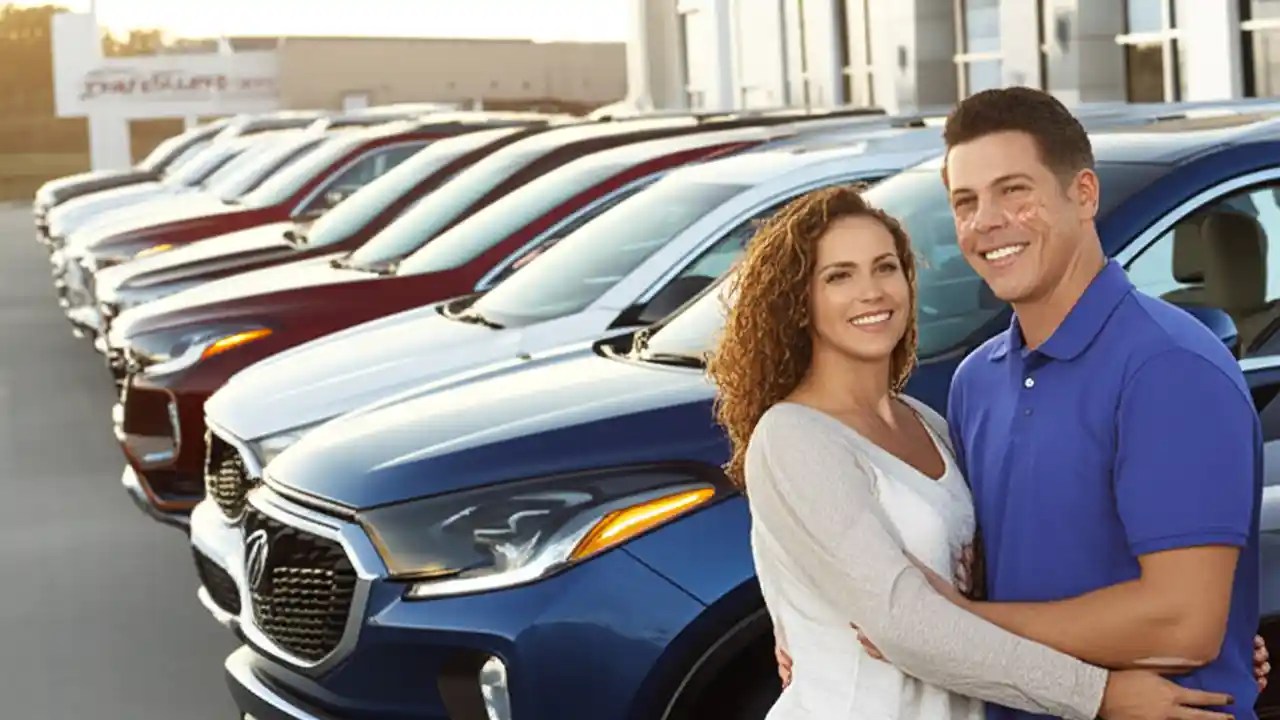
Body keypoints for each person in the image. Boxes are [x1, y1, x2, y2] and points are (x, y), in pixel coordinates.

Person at [760, 86, 1274, 718]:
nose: (988, 222)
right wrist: (811, 628)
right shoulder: (976, 383)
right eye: (966, 202)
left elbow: (1181, 626)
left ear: (1084, 194)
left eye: (1015, 192)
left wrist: (962, 622)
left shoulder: (1169, 368)